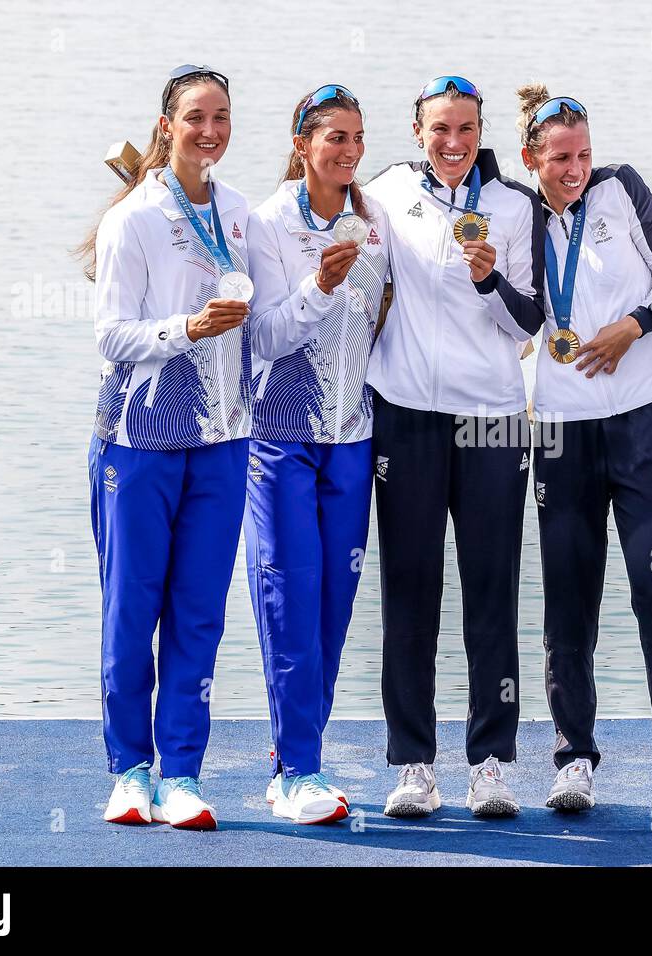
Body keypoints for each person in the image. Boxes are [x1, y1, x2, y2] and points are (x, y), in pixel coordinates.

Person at [514, 84, 652, 815]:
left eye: (584, 154)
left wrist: (633, 325)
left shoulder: (623, 190)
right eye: (561, 158)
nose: (575, 169)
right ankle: (573, 756)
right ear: (533, 157)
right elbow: (505, 304)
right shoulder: (516, 212)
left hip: (643, 420)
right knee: (569, 597)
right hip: (563, 427)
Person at [363, 76, 546, 818]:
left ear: (481, 132)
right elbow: (308, 216)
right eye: (440, 129)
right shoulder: (382, 195)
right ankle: (413, 764)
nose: (453, 144)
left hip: (493, 419)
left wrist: (490, 280)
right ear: (417, 131)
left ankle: (492, 763)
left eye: (466, 130)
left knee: (492, 591)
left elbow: (532, 321)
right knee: (408, 592)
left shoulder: (513, 206)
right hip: (405, 415)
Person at [80, 64, 251, 830]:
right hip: (138, 441)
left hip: (221, 438)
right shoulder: (135, 218)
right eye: (193, 117)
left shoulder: (241, 214)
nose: (208, 130)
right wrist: (185, 330)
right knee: (132, 607)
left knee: (198, 613)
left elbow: (266, 327)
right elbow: (109, 335)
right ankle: (130, 770)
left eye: (219, 117)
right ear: (165, 126)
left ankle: (181, 772)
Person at [243, 85, 390, 825]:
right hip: (281, 436)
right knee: (290, 598)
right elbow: (262, 339)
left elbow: (389, 326)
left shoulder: (375, 223)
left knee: (333, 607)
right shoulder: (267, 223)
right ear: (303, 145)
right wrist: (317, 287)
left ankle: (293, 757)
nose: (349, 150)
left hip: (352, 440)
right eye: (335, 138)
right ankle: (300, 767)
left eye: (358, 138)